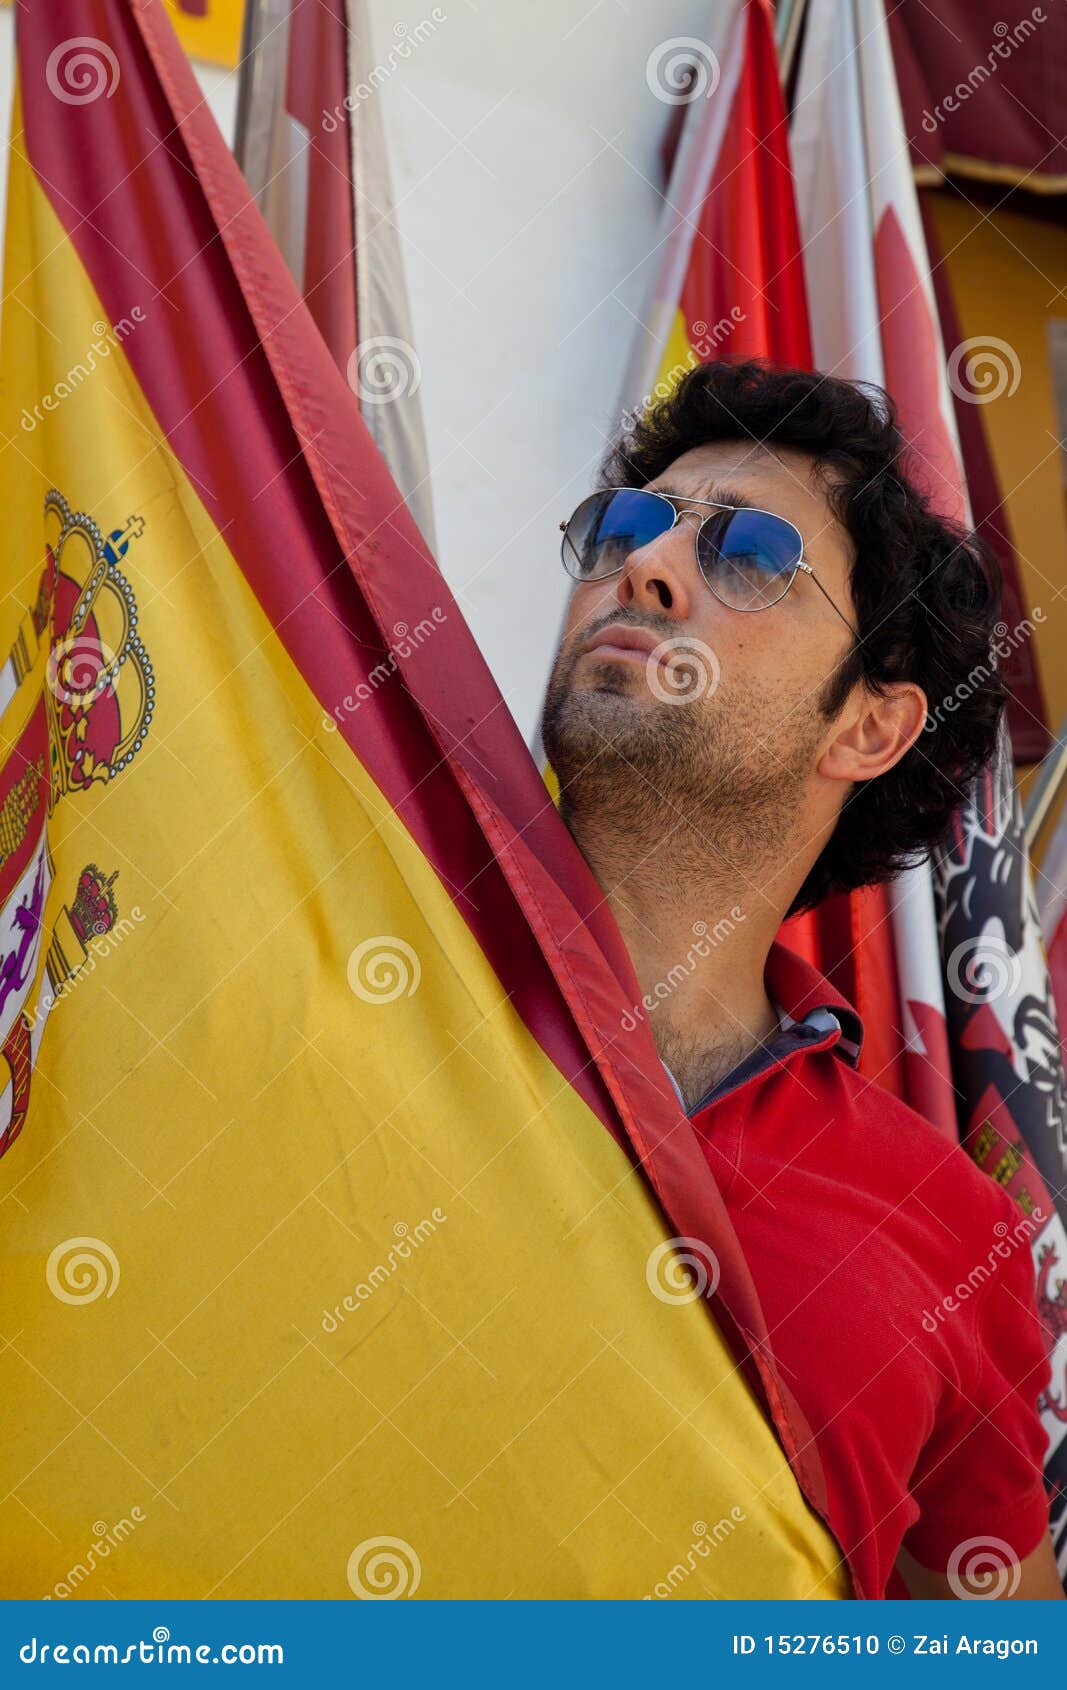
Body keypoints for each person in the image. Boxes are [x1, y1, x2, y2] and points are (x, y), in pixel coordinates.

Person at [541, 359, 1063, 1601]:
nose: (643, 568)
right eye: (625, 527)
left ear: (869, 727)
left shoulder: (952, 1228)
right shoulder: (343, 950)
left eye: (749, 555)